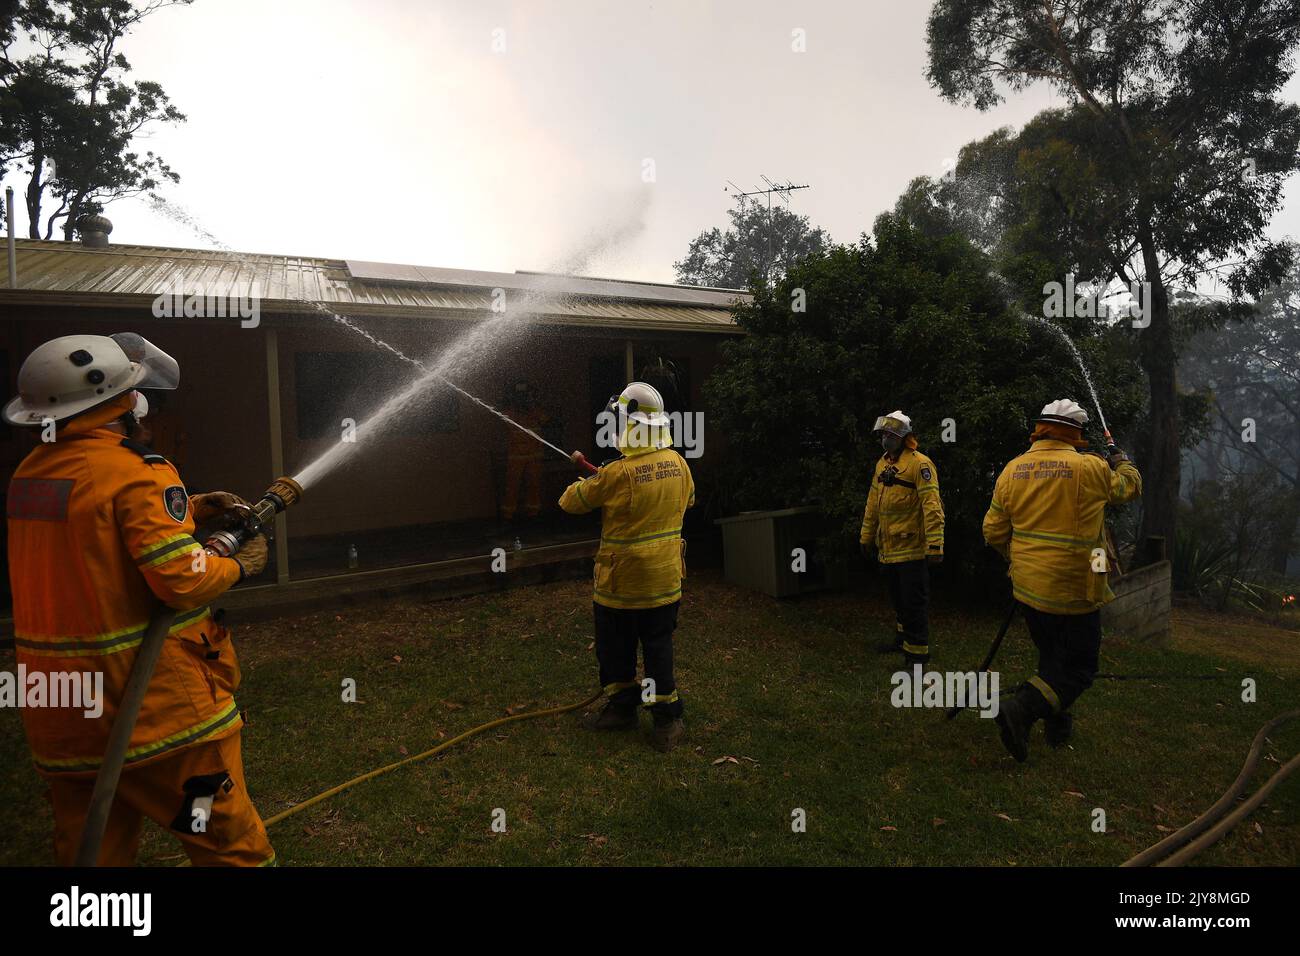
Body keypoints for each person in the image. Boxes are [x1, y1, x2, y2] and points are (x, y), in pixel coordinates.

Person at [4, 333, 274, 865]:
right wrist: (237, 565)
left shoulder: (32, 475)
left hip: (62, 714)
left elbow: (95, 531)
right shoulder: (137, 472)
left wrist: (189, 509)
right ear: (121, 403)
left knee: (94, 854)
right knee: (222, 841)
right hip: (156, 716)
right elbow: (183, 580)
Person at [981, 399, 1142, 762]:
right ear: (1076, 433)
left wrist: (1017, 556)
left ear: (1040, 428)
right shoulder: (1091, 468)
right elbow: (1130, 488)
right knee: (1081, 667)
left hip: (1026, 587)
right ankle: (1021, 709)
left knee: (1052, 658)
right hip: (1073, 591)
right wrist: (1122, 459)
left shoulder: (1013, 469)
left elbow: (992, 530)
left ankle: (1057, 727)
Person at [559, 382, 694, 752]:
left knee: (616, 650)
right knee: (658, 651)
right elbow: (689, 499)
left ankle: (622, 708)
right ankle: (666, 720)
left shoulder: (616, 474)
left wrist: (593, 478)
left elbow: (569, 502)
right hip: (665, 585)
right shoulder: (680, 465)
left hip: (620, 588)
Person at [859, 410, 945, 666]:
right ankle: (901, 639)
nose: (886, 438)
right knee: (898, 599)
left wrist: (935, 545)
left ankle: (917, 658)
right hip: (889, 548)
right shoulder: (882, 464)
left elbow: (932, 506)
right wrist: (866, 536)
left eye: (891, 434)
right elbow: (873, 503)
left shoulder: (920, 464)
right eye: (884, 433)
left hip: (912, 550)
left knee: (913, 604)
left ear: (904, 437)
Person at [501, 380, 548, 526]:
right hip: (516, 456)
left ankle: (533, 516)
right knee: (512, 487)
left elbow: (546, 419)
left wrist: (533, 407)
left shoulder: (535, 410)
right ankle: (508, 518)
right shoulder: (509, 412)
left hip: (534, 455)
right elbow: (505, 420)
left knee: (534, 485)